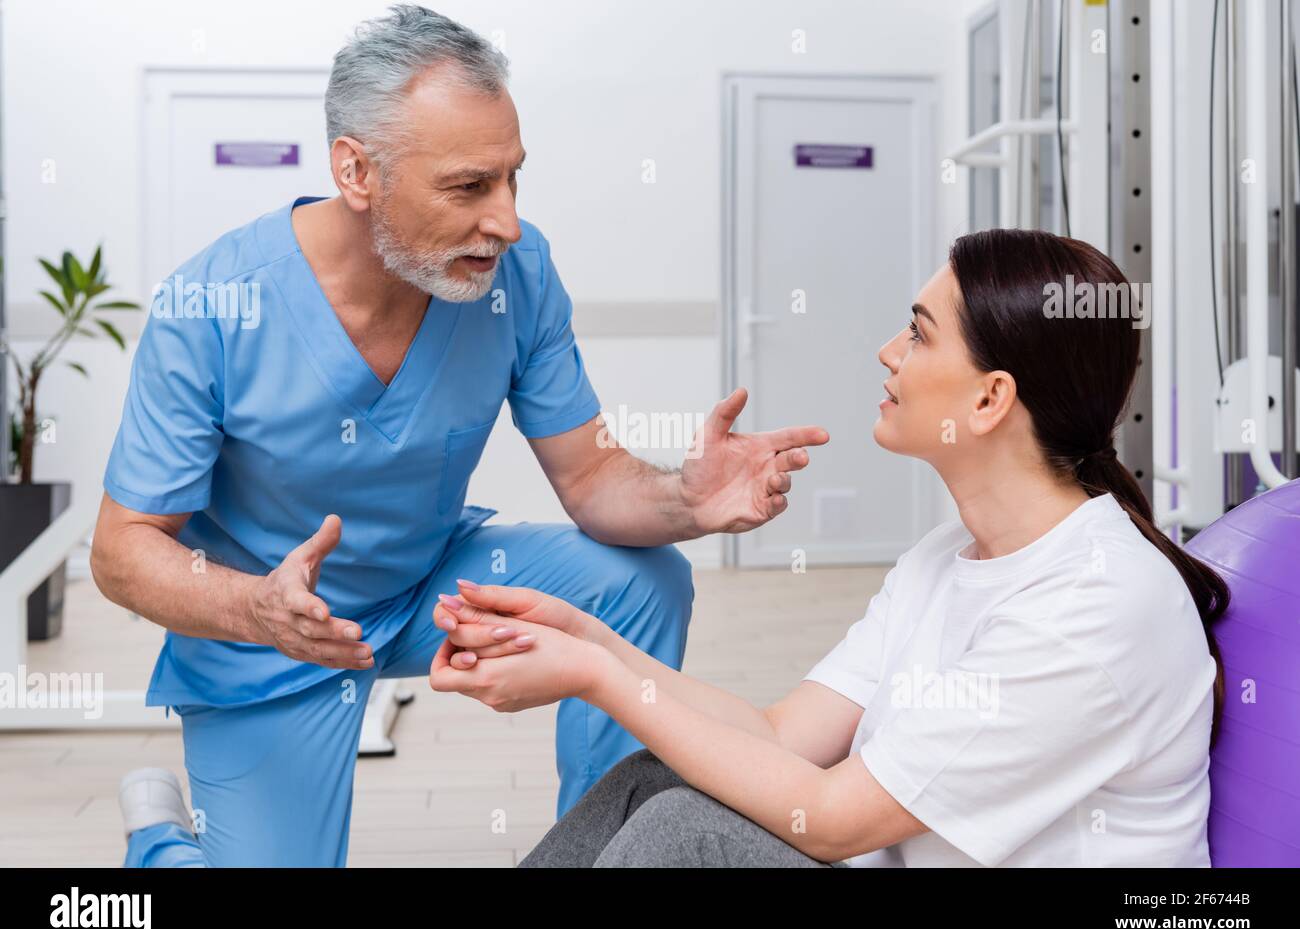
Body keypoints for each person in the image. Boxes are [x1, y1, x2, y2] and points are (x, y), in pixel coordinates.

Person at [94, 5, 827, 867]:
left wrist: (685, 498)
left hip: (430, 586)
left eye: (514, 179)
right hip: (271, 629)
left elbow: (590, 478)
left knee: (641, 579)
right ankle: (158, 836)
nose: (508, 221)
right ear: (357, 171)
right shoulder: (214, 304)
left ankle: (599, 850)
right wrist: (254, 609)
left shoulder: (517, 274)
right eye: (470, 187)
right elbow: (122, 549)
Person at [429, 229, 1230, 867]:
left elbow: (835, 820)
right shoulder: (950, 553)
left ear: (990, 399)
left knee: (687, 834)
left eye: (917, 335)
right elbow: (779, 736)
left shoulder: (1095, 604)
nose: (888, 351)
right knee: (654, 779)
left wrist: (597, 678)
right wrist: (586, 637)